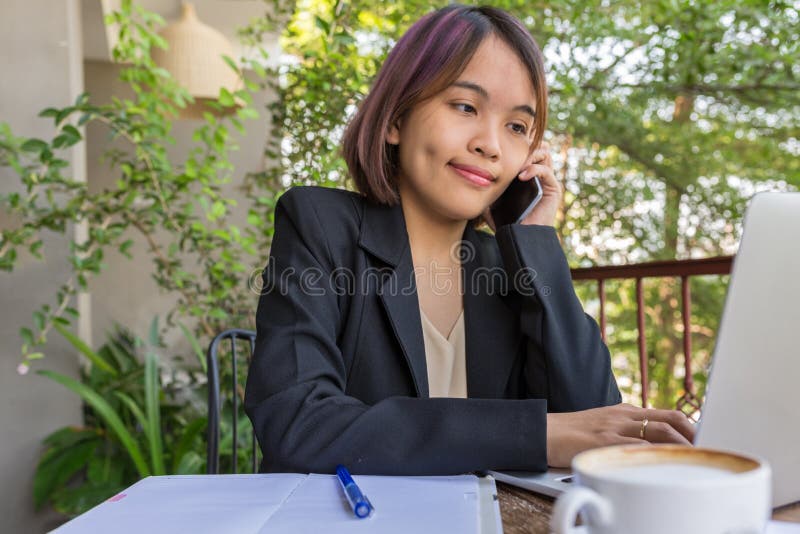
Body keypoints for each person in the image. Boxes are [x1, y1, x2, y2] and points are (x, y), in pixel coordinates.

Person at [244, 4, 694, 475]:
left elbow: (590, 413)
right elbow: (295, 423)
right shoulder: (319, 223)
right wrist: (535, 434)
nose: (491, 144)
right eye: (465, 106)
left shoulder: (504, 270)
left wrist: (536, 242)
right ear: (396, 119)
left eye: (517, 126)